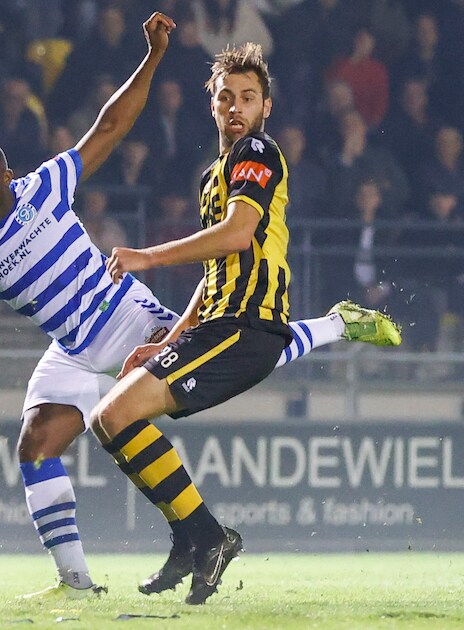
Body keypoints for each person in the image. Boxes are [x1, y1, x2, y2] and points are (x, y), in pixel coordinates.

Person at [0, 15, 401, 603]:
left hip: (125, 319)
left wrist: (151, 58)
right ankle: (80, 582)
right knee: (36, 444)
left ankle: (327, 333)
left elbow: (111, 124)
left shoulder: (44, 187)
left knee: (228, 358)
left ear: (8, 177)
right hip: (71, 347)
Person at [99, 42, 397, 606]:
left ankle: (206, 537)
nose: (236, 107)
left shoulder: (256, 150)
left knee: (115, 415)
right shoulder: (214, 174)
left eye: (248, 97)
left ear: (266, 108)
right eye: (225, 97)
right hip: (220, 325)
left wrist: (146, 256)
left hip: (246, 328)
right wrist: (170, 337)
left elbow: (238, 235)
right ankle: (194, 539)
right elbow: (218, 267)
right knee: (111, 418)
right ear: (211, 104)